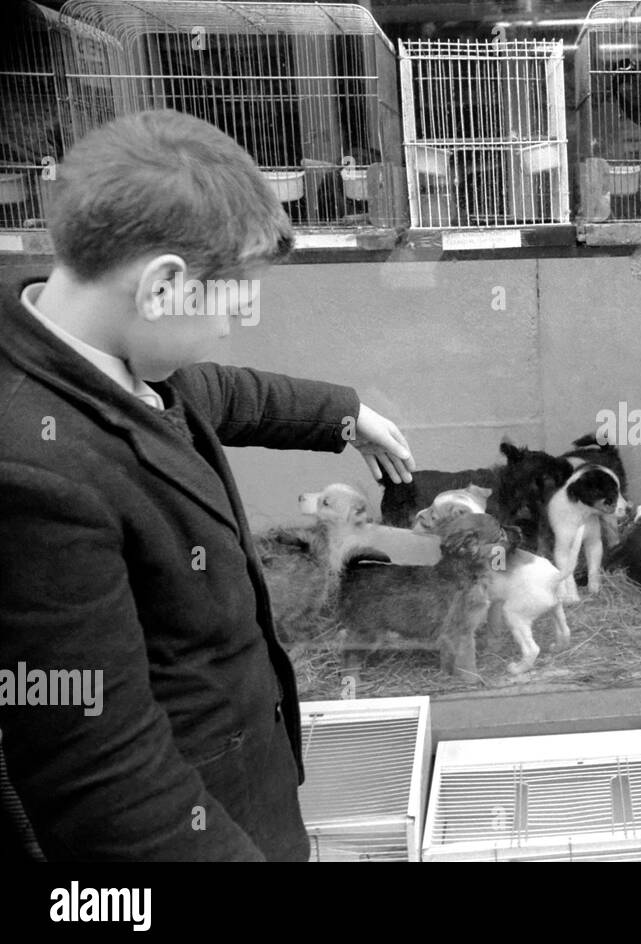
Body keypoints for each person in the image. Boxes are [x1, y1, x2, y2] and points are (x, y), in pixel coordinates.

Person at [0, 110, 417, 860]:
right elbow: (105, 774)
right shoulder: (34, 477)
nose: (232, 326)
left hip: (249, 781)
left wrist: (345, 415)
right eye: (234, 298)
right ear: (163, 286)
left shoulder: (105, 350)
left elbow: (220, 391)